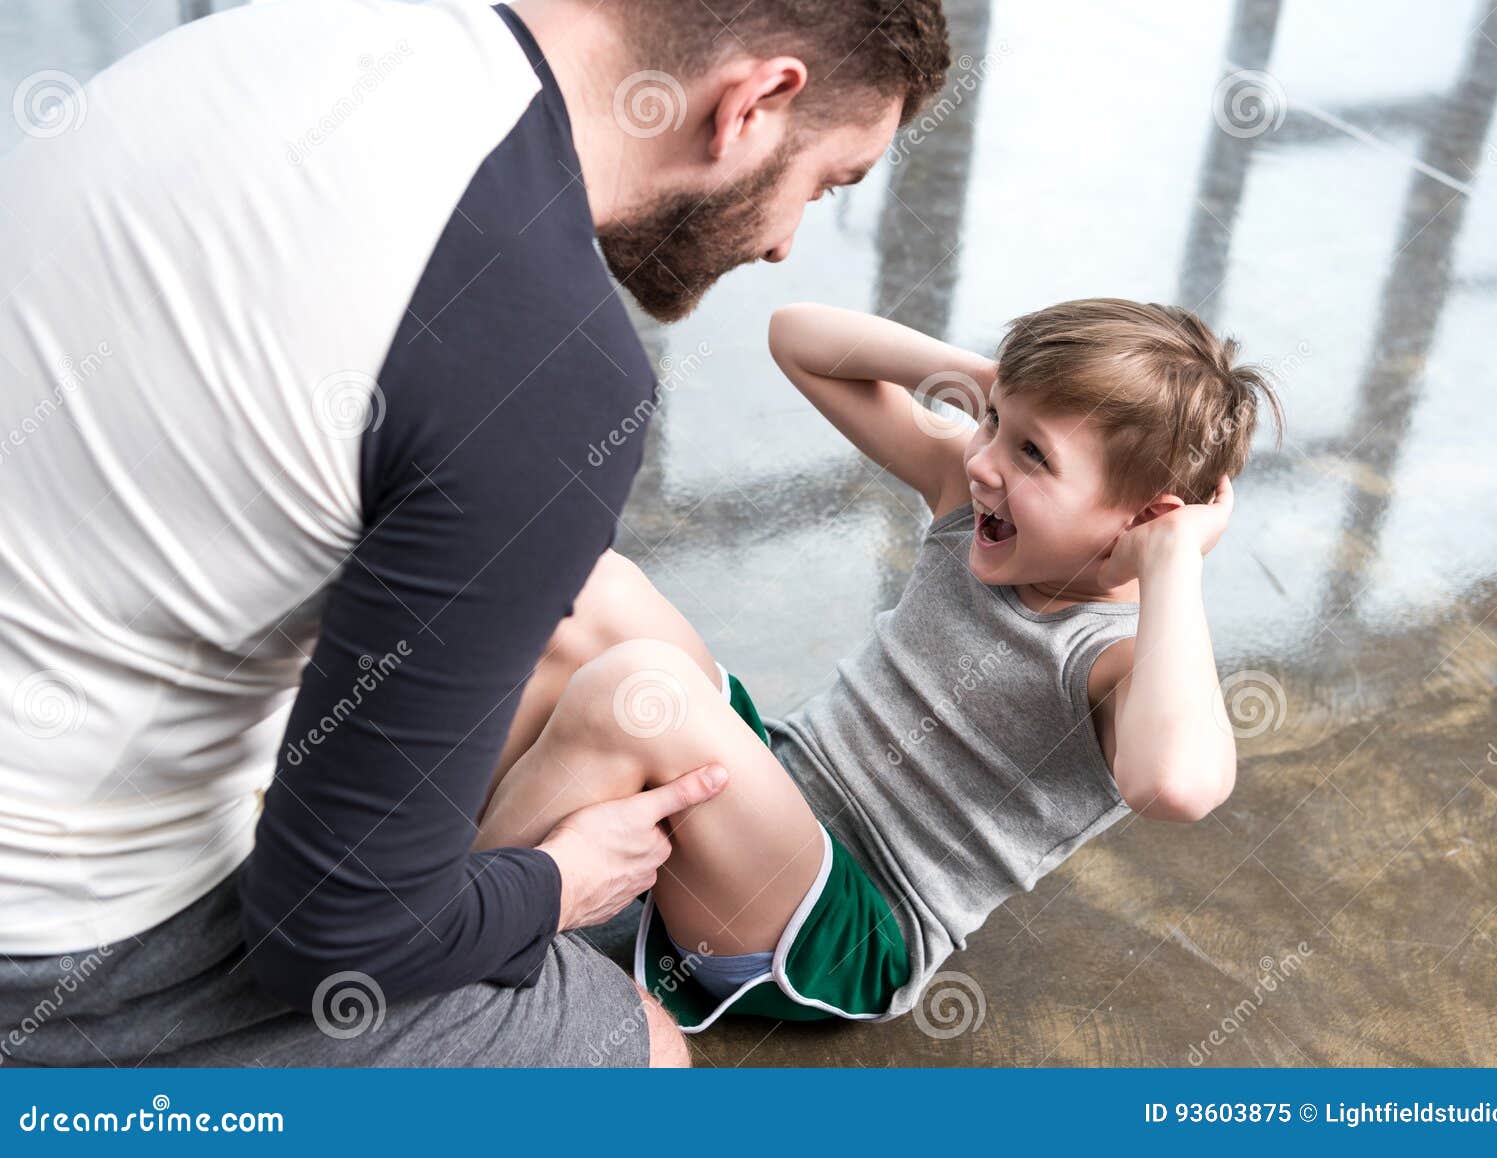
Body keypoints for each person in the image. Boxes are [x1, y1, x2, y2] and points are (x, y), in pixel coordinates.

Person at [0, 1, 949, 1067]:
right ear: (754, 105)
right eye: (823, 183)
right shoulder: (546, 371)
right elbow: (330, 941)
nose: (784, 244)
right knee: (635, 1047)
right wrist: (556, 884)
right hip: (54, 945)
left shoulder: (294, 37)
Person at [474, 299, 1284, 1030]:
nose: (984, 461)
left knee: (637, 688)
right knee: (593, 589)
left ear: (1149, 519)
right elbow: (797, 337)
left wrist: (1173, 562)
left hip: (839, 925)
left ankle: (447, 941)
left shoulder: (1116, 660)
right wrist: (988, 384)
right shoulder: (975, 502)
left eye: (1033, 454)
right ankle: (458, 846)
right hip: (775, 788)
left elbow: (1177, 784)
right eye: (992, 423)